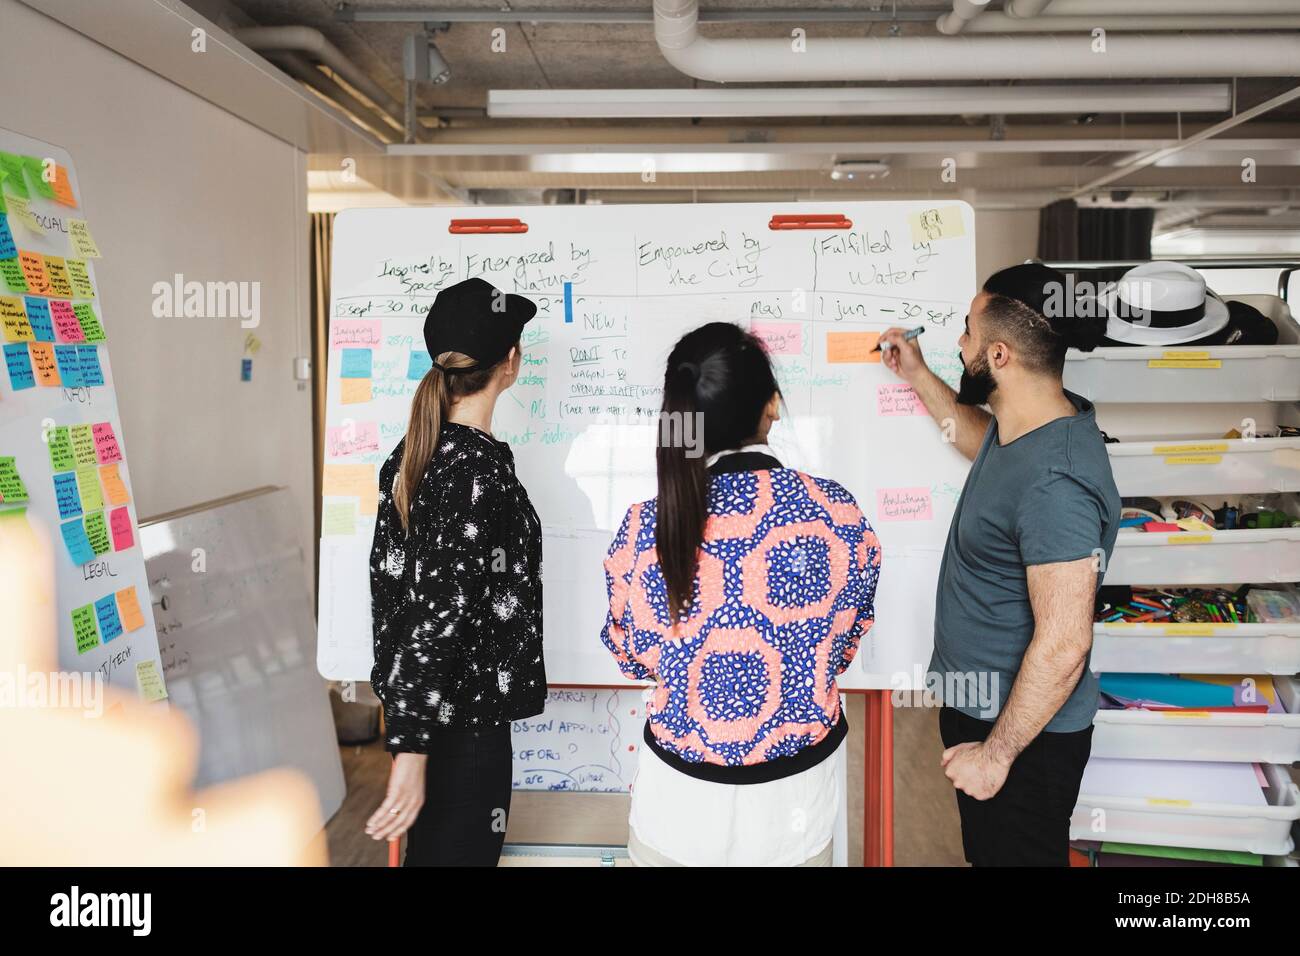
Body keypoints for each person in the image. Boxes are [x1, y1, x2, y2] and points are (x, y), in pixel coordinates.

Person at [600, 322, 882, 867]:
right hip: (793, 806)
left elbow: (630, 653)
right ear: (771, 406)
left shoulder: (643, 529)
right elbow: (845, 639)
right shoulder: (838, 514)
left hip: (677, 808)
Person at [879, 262, 1121, 867]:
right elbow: (972, 435)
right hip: (985, 709)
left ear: (1000, 354)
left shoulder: (1055, 483)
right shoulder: (1026, 427)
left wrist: (996, 755)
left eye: (967, 333)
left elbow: (1065, 644)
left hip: (1022, 734)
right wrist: (915, 373)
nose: (959, 343)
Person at [364, 277, 546, 866]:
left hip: (435, 717)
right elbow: (434, 613)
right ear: (510, 362)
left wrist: (408, 739)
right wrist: (413, 753)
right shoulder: (472, 469)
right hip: (462, 730)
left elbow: (403, 598)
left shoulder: (422, 453)